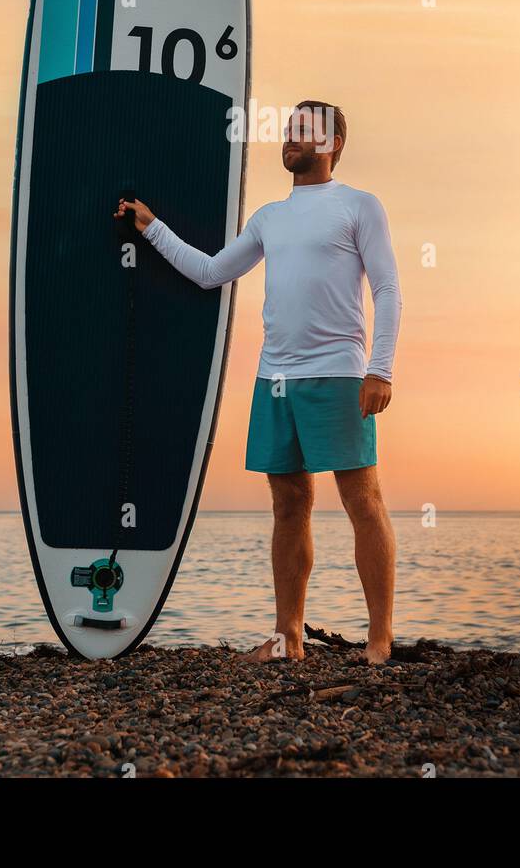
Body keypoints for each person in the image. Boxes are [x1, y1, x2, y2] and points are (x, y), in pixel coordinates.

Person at [114, 100, 402, 663]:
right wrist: (151, 228)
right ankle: (287, 636)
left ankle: (379, 637)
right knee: (289, 504)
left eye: (305, 131)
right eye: (288, 130)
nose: (290, 138)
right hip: (275, 380)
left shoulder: (359, 206)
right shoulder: (270, 217)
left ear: (334, 144)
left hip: (339, 374)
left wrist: (380, 369)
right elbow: (210, 272)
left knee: (362, 501)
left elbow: (388, 290)